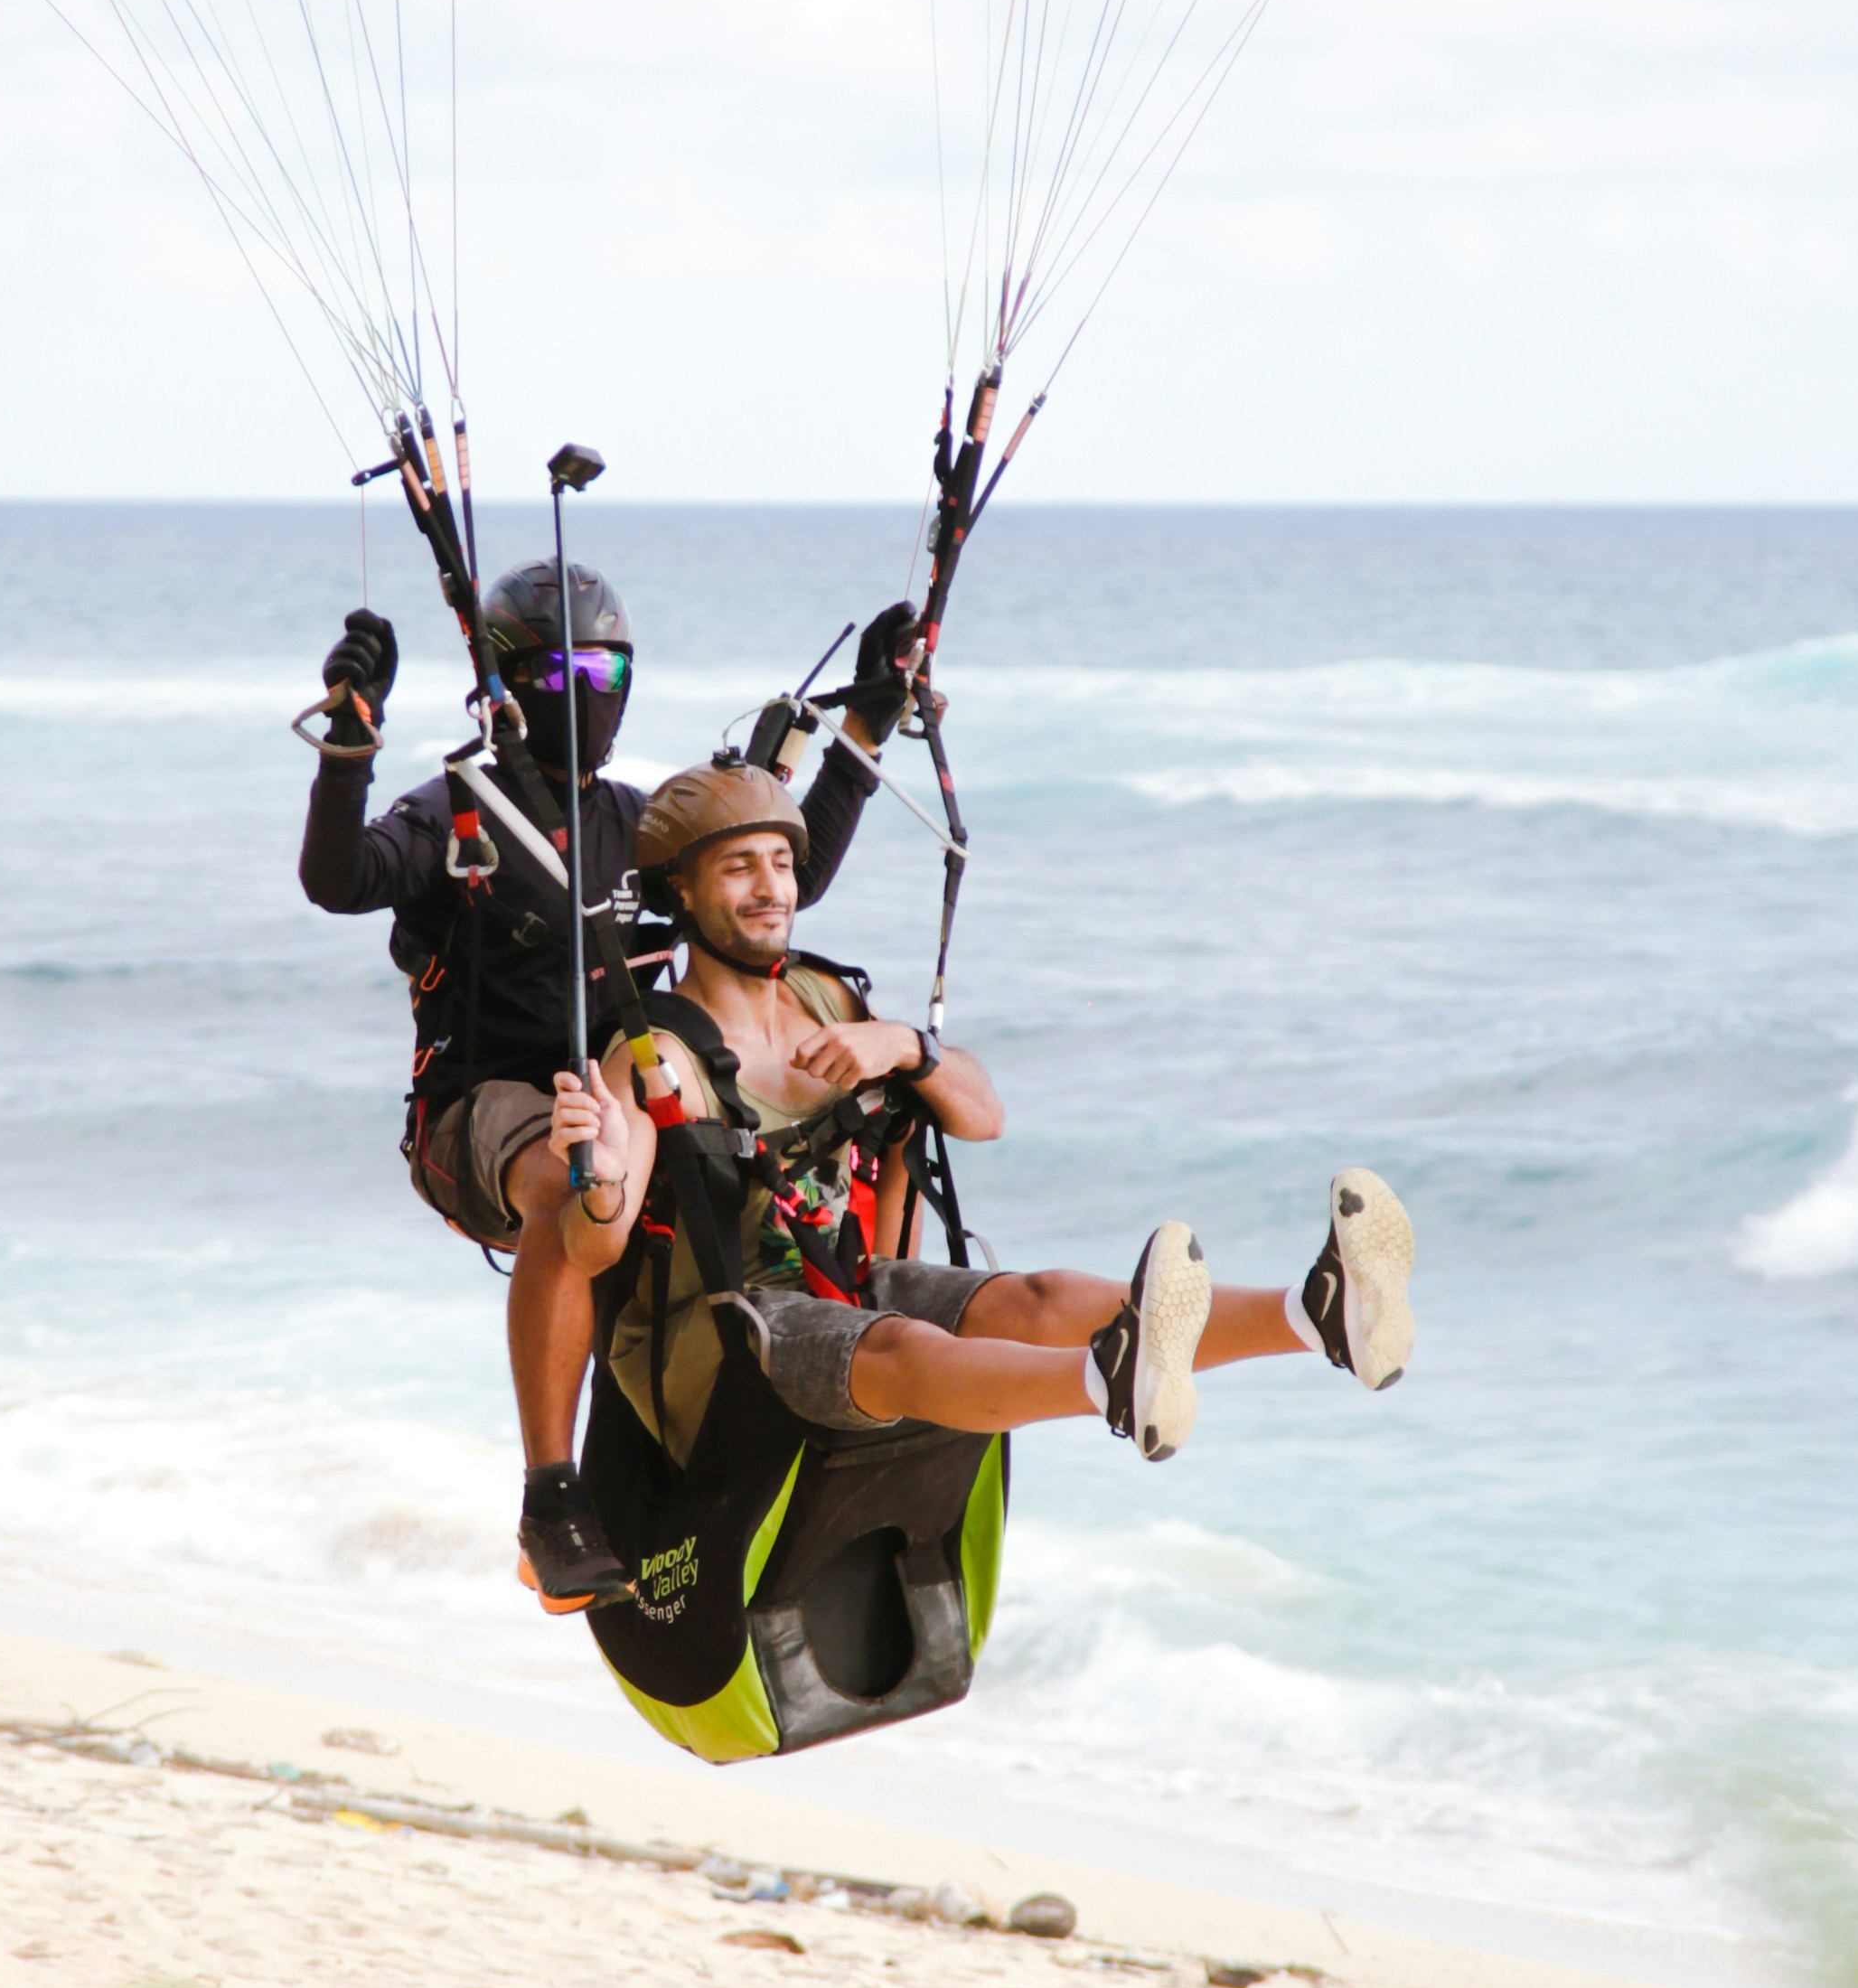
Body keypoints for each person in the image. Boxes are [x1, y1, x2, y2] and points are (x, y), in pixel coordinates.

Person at [300, 569, 922, 1608]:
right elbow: (339, 879)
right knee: (573, 1165)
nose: (583, 685)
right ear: (504, 679)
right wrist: (350, 740)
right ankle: (551, 1497)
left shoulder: (634, 821)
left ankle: (842, 1374)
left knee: (842, 1124)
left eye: (603, 665)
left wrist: (862, 730)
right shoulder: (456, 807)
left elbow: (774, 879)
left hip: (624, 1091)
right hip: (483, 1108)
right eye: (554, 667)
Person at [550, 764, 1414, 1476]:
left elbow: (982, 1117)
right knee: (898, 1351)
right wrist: (602, 1174)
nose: (770, 888)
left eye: (779, 862)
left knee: (1029, 1297)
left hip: (842, 1279)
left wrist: (908, 1047)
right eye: (738, 868)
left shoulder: (830, 998)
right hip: (720, 1340)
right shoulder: (651, 1054)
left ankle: (1317, 1314)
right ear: (684, 892)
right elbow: (595, 1249)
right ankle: (1110, 1379)